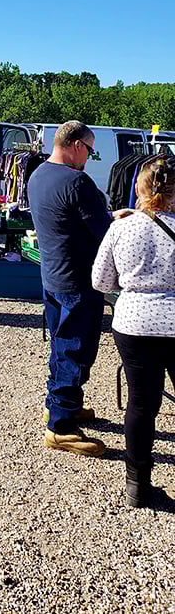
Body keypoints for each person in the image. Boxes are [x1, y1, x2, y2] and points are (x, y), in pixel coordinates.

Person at [28, 120, 131, 458]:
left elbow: (71, 220)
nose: (89, 157)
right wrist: (121, 222)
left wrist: (108, 214)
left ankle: (59, 405)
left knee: (60, 346)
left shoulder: (39, 174)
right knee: (75, 351)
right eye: (89, 150)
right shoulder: (78, 181)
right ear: (74, 144)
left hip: (53, 277)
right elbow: (104, 235)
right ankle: (60, 427)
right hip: (77, 281)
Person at [92, 155, 175, 507]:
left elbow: (100, 281)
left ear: (140, 187)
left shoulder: (121, 226)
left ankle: (137, 485)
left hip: (134, 324)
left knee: (142, 404)